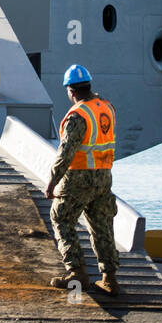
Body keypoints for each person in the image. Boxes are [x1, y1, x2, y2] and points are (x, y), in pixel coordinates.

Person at [45, 64, 119, 297]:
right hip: (104, 176)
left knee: (61, 217)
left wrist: (52, 182)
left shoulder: (78, 116)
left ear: (71, 91)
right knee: (101, 224)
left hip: (79, 177)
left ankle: (77, 272)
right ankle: (109, 279)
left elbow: (65, 153)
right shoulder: (107, 108)